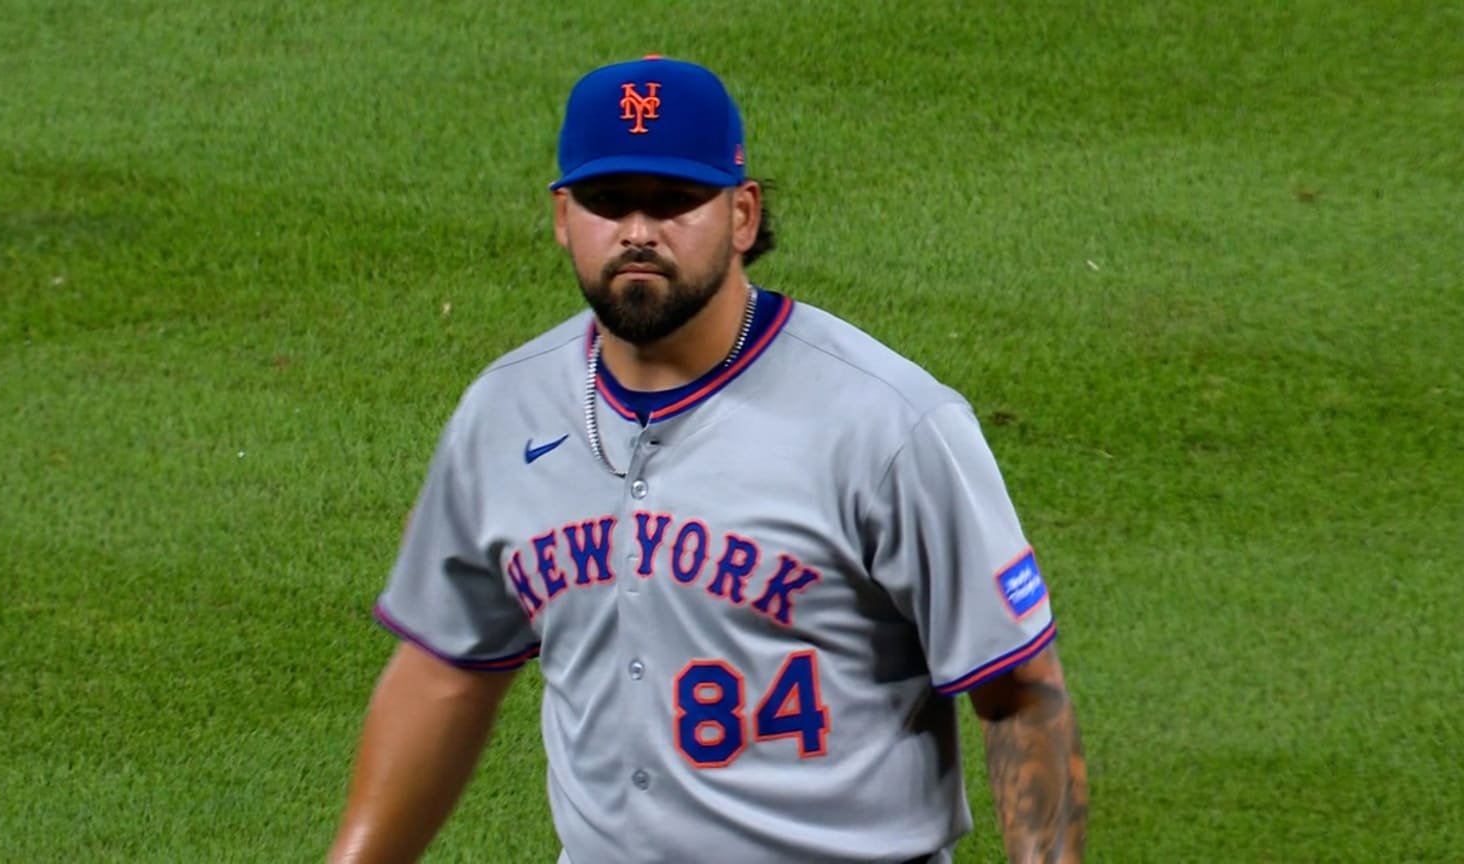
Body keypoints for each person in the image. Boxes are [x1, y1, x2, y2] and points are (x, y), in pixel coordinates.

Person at [326, 55, 1087, 864]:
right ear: (562, 215)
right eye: (608, 201)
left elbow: (1021, 693)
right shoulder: (504, 413)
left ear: (743, 215)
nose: (639, 231)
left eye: (676, 200)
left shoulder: (886, 422)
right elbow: (446, 669)